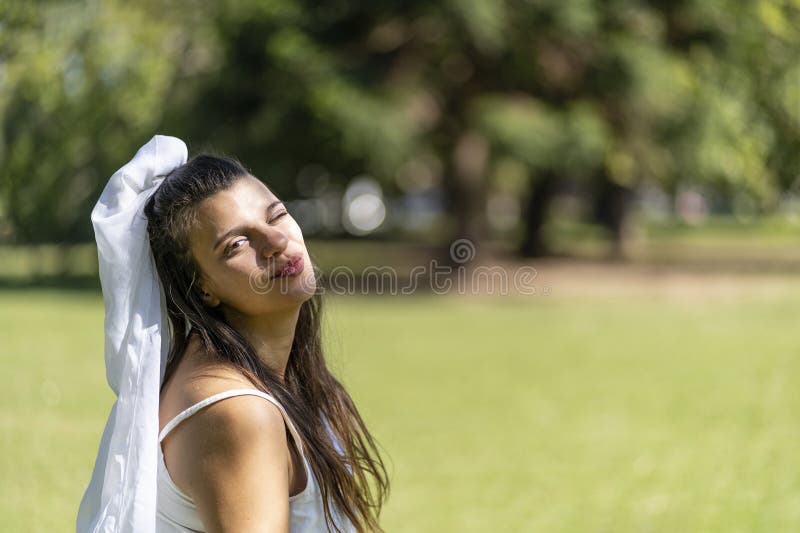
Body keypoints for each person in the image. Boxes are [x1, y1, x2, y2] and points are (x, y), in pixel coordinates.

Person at [77, 136, 389, 533]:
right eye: (237, 243)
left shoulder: (277, 376)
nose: (277, 241)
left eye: (276, 216)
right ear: (202, 287)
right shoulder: (235, 413)